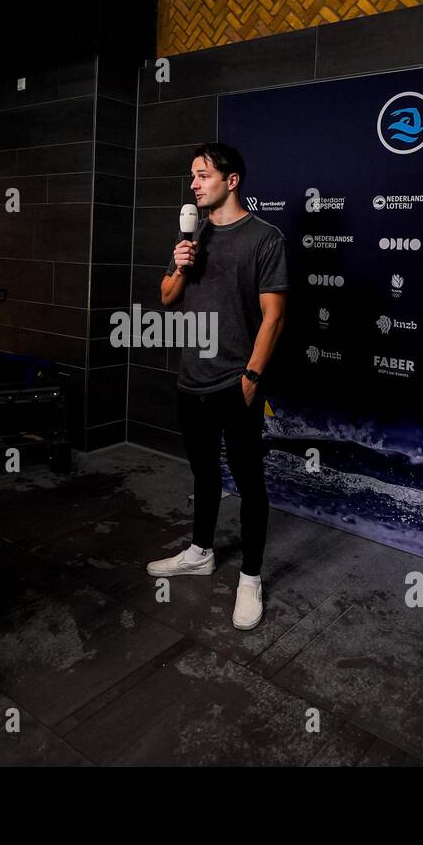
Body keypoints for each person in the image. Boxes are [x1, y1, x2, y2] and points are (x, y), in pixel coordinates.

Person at [146, 142, 288, 631]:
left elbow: (274, 315)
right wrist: (180, 263)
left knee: (249, 483)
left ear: (231, 181)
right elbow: (166, 299)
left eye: (202, 175)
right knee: (204, 474)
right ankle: (200, 553)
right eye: (192, 176)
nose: (193, 184)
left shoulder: (264, 238)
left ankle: (250, 578)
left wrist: (251, 377)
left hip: (236, 383)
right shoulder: (194, 236)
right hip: (192, 381)